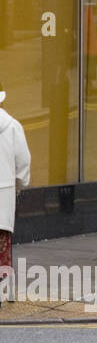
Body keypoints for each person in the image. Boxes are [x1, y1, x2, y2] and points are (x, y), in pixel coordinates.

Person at [0, 83, 32, 303]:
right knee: (2, 245)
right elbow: (23, 163)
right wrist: (20, 185)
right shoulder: (12, 126)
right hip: (3, 197)